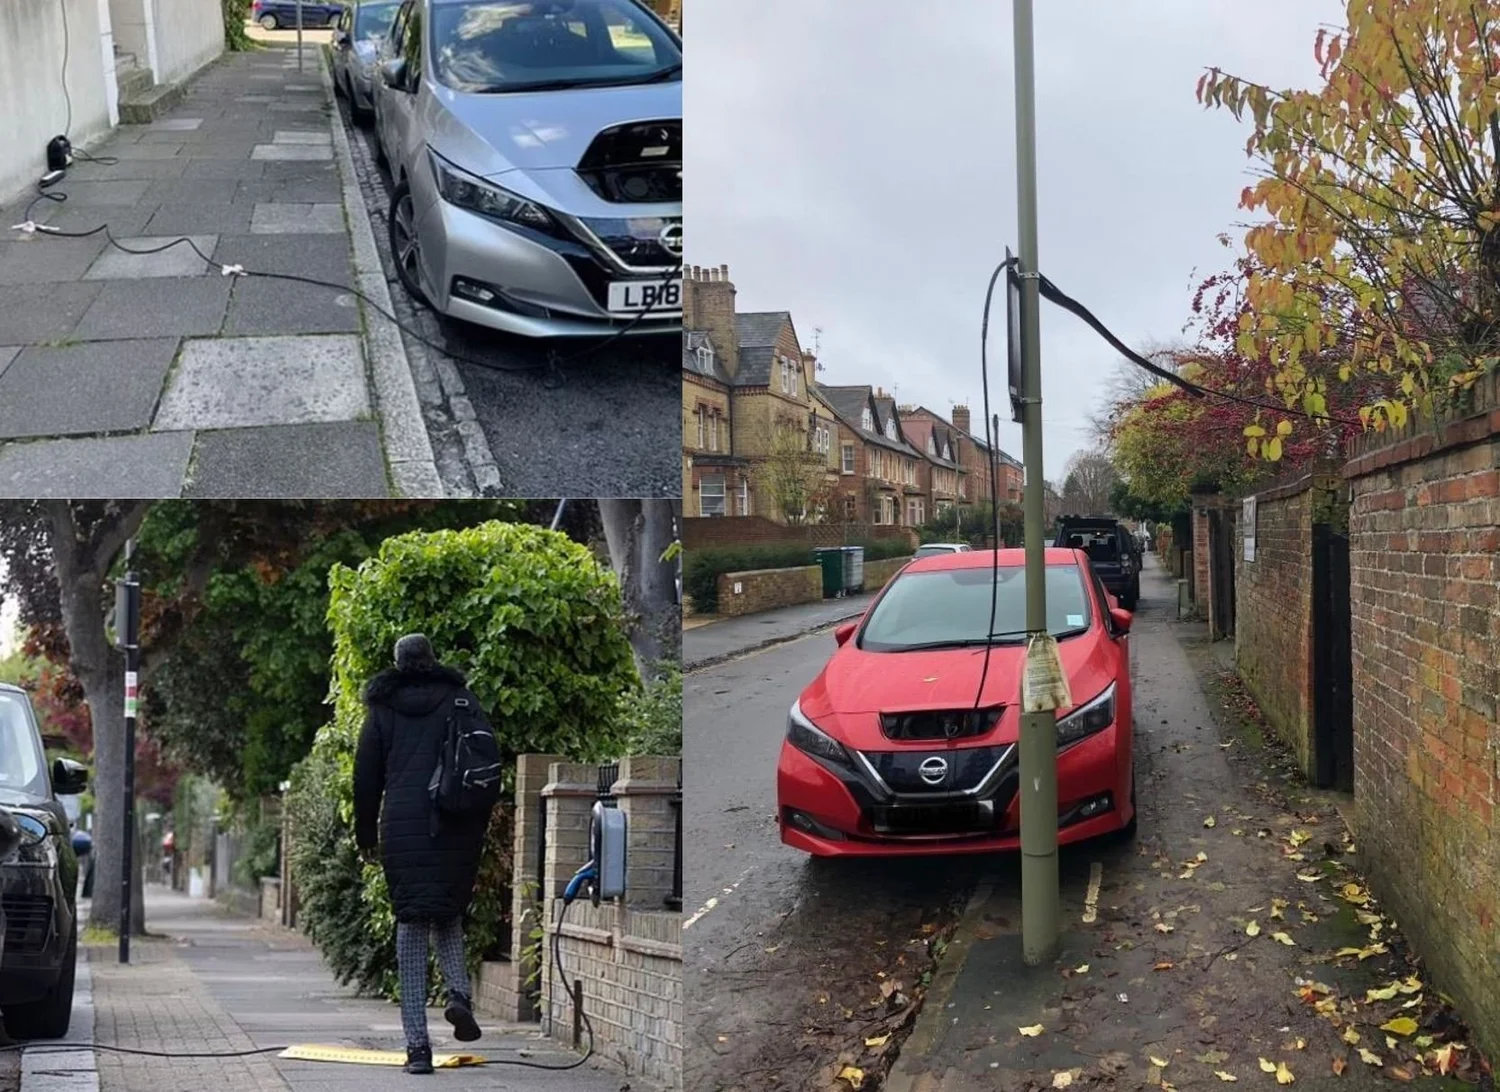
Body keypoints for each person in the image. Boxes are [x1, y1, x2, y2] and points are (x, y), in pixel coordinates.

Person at [353, 634, 495, 1075]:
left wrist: (365, 838)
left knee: (411, 927)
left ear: (397, 663)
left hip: (401, 828)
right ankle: (458, 995)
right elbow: (485, 761)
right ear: (433, 659)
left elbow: (365, 779)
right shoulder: (459, 699)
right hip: (454, 826)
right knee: (448, 915)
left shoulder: (381, 710)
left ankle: (418, 1049)